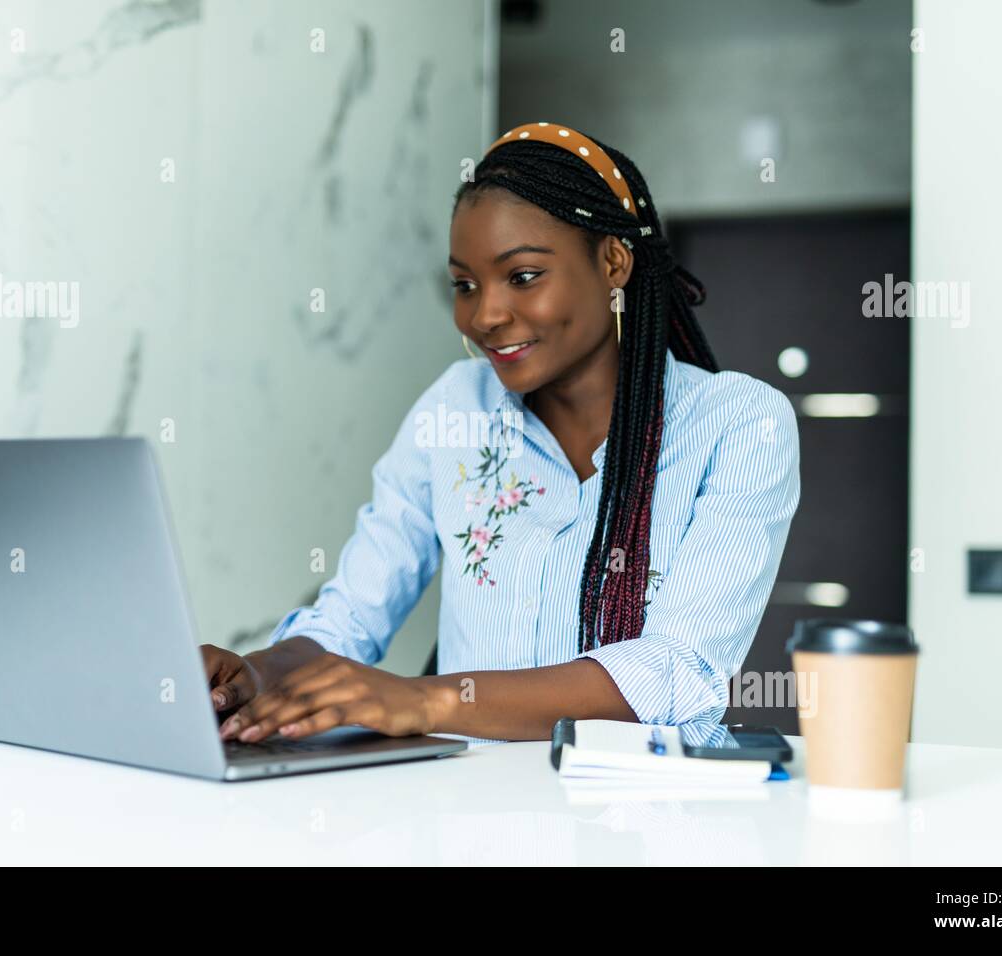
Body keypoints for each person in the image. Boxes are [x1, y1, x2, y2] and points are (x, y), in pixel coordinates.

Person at [203, 121, 800, 744]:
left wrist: (424, 700)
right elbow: (352, 612)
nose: (485, 315)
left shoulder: (739, 425)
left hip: (638, 827)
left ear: (613, 261)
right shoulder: (454, 407)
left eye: (522, 277)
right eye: (465, 285)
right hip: (467, 825)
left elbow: (677, 673)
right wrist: (254, 672)